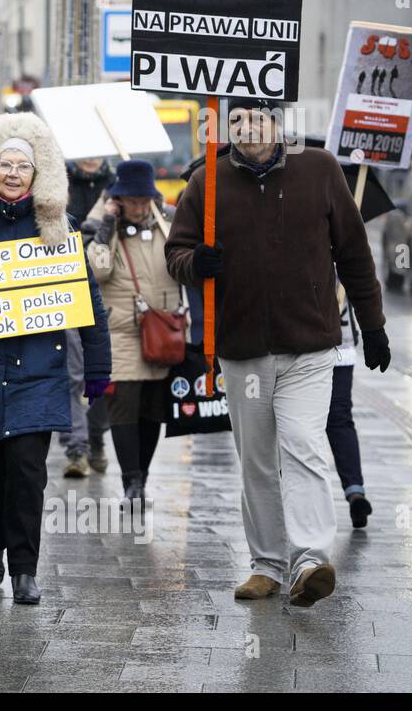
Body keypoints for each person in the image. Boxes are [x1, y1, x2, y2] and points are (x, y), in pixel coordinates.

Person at [165, 98, 389, 609]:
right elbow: (175, 254)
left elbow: (354, 252)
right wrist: (196, 261)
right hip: (242, 350)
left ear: (278, 123)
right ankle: (267, 564)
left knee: (303, 443)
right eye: (237, 119)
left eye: (259, 117)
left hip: (309, 344)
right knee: (258, 461)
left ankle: (310, 559)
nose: (250, 128)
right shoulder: (208, 182)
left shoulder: (320, 169)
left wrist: (372, 326)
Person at [0, 114, 111, 604]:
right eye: (6, 164)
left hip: (39, 372)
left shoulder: (58, 231)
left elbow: (89, 301)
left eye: (24, 165)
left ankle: (24, 569)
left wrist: (100, 368)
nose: (14, 173)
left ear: (38, 173)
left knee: (28, 473)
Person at [87, 159, 184, 502]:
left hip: (161, 334)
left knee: (153, 411)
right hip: (122, 335)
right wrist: (107, 226)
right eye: (133, 201)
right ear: (118, 200)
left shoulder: (167, 226)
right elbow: (97, 271)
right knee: (123, 408)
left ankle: (141, 476)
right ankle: (132, 483)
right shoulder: (107, 230)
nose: (140, 207)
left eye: (145, 200)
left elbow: (182, 265)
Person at [61, 156, 116, 477]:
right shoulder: (59, 182)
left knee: (102, 371)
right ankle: (77, 447)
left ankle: (95, 437)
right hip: (66, 283)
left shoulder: (116, 184)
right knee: (71, 371)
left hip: (103, 287)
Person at [327, 293, 372, 529]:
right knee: (340, 419)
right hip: (340, 341)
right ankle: (355, 491)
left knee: (295, 421)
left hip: (307, 342)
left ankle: (285, 498)